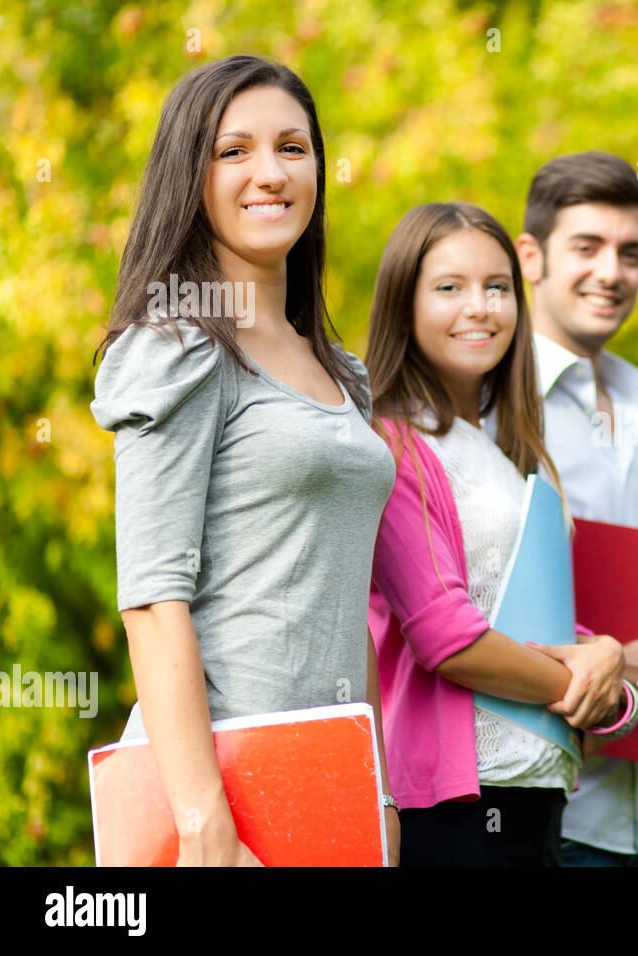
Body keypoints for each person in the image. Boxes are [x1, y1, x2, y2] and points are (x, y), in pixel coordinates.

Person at [90, 56, 400, 865]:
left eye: (293, 148)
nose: (270, 173)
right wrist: (204, 825)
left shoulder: (344, 373)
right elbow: (153, 601)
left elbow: (349, 599)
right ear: (190, 176)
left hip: (325, 782)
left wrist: (379, 790)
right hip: (211, 795)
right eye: (234, 152)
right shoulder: (179, 347)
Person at [363, 201, 634, 867]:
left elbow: (531, 621)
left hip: (537, 795)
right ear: (404, 304)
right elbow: (445, 637)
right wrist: (578, 681)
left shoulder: (516, 451)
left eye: (498, 287)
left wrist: (609, 672)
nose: (480, 307)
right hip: (453, 808)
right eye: (449, 287)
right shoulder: (390, 442)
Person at [513, 150, 638, 867]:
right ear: (529, 257)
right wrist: (623, 664)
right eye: (587, 247)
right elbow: (461, 627)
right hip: (547, 828)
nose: (612, 272)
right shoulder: (495, 411)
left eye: (632, 253)